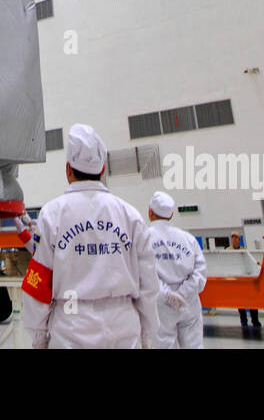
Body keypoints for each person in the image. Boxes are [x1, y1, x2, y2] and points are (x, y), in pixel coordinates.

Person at [21, 124, 160, 349]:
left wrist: (38, 335)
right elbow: (149, 283)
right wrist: (147, 332)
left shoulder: (52, 215)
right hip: (124, 327)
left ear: (68, 169)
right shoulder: (131, 216)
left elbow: (39, 280)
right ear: (103, 169)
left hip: (70, 327)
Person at [147, 191, 206, 349]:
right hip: (189, 303)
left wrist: (167, 294)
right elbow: (200, 273)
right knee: (194, 345)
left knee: (163, 345)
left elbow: (144, 274)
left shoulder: (145, 238)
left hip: (161, 307)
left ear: (150, 212)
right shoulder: (188, 239)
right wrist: (183, 293)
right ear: (172, 214)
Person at [230, 233, 261, 329]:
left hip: (246, 280)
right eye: (233, 238)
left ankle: (255, 320)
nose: (234, 240)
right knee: (240, 303)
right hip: (237, 280)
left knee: (252, 302)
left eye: (236, 238)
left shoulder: (245, 251)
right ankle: (243, 321)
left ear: (239, 240)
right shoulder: (228, 251)